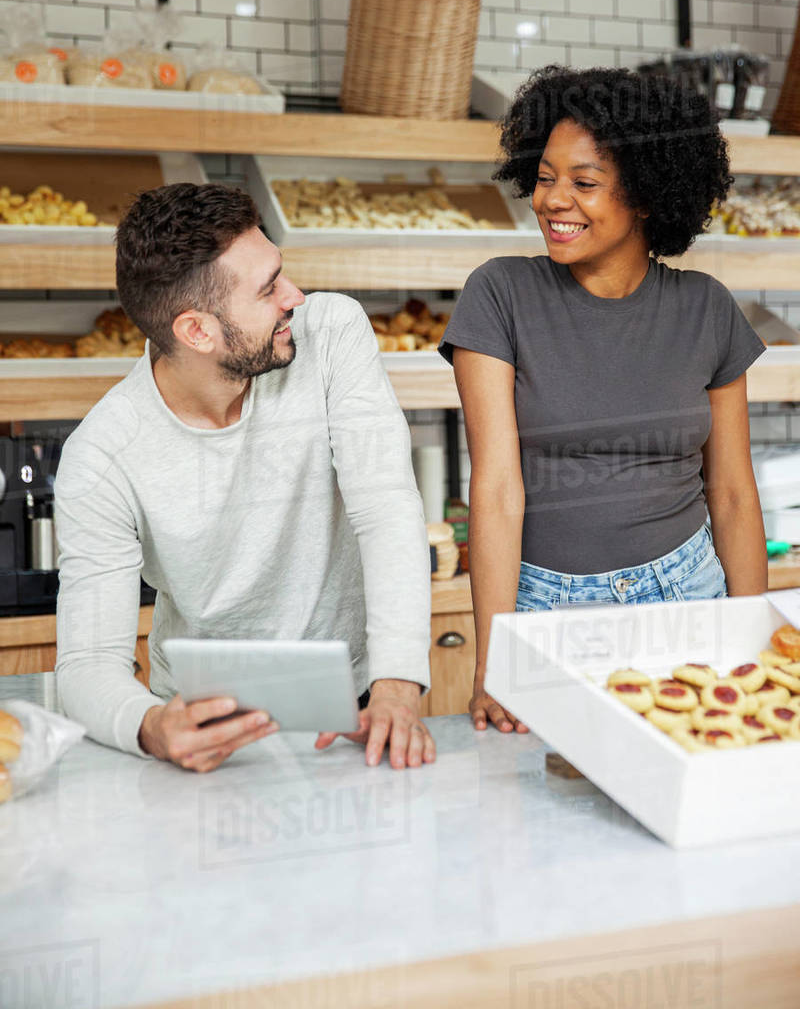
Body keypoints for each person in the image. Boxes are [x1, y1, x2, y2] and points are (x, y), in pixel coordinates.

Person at [55, 183, 435, 772]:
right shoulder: (102, 457)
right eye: (268, 289)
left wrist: (398, 684)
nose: (295, 296)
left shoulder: (332, 332)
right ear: (196, 332)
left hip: (357, 705)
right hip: (201, 723)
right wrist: (153, 728)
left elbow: (385, 507)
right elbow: (87, 664)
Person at [439, 66, 767, 734]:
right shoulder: (499, 295)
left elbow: (733, 493)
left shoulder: (706, 309)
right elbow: (496, 490)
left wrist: (748, 643)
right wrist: (494, 665)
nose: (553, 200)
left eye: (584, 183)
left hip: (686, 595)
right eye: (545, 177)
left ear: (646, 195)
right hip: (545, 609)